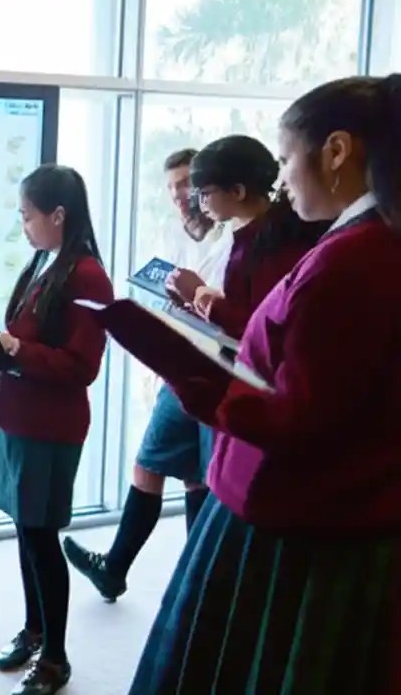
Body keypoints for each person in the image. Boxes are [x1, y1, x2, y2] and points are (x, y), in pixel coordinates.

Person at [130, 74, 401, 694]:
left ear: (336, 152)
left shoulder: (356, 260)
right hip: (327, 515)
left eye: (286, 158)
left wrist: (200, 381)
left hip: (297, 524)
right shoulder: (361, 242)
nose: (282, 178)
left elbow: (304, 416)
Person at [63, 136, 328, 602]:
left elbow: (257, 326)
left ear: (237, 189)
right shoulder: (242, 234)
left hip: (229, 372)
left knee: (205, 477)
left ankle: (199, 577)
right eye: (178, 189)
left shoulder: (272, 242)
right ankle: (138, 569)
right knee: (155, 462)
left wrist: (203, 298)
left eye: (197, 188)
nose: (190, 199)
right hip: (192, 364)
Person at [0, 164, 111, 695]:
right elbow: (29, 342)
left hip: (50, 426)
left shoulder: (88, 275)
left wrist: (16, 352)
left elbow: (81, 367)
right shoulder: (44, 260)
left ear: (58, 215)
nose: (23, 226)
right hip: (18, 414)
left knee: (41, 536)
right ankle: (34, 630)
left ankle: (55, 658)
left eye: (28, 216)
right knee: (25, 530)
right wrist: (0, 353)